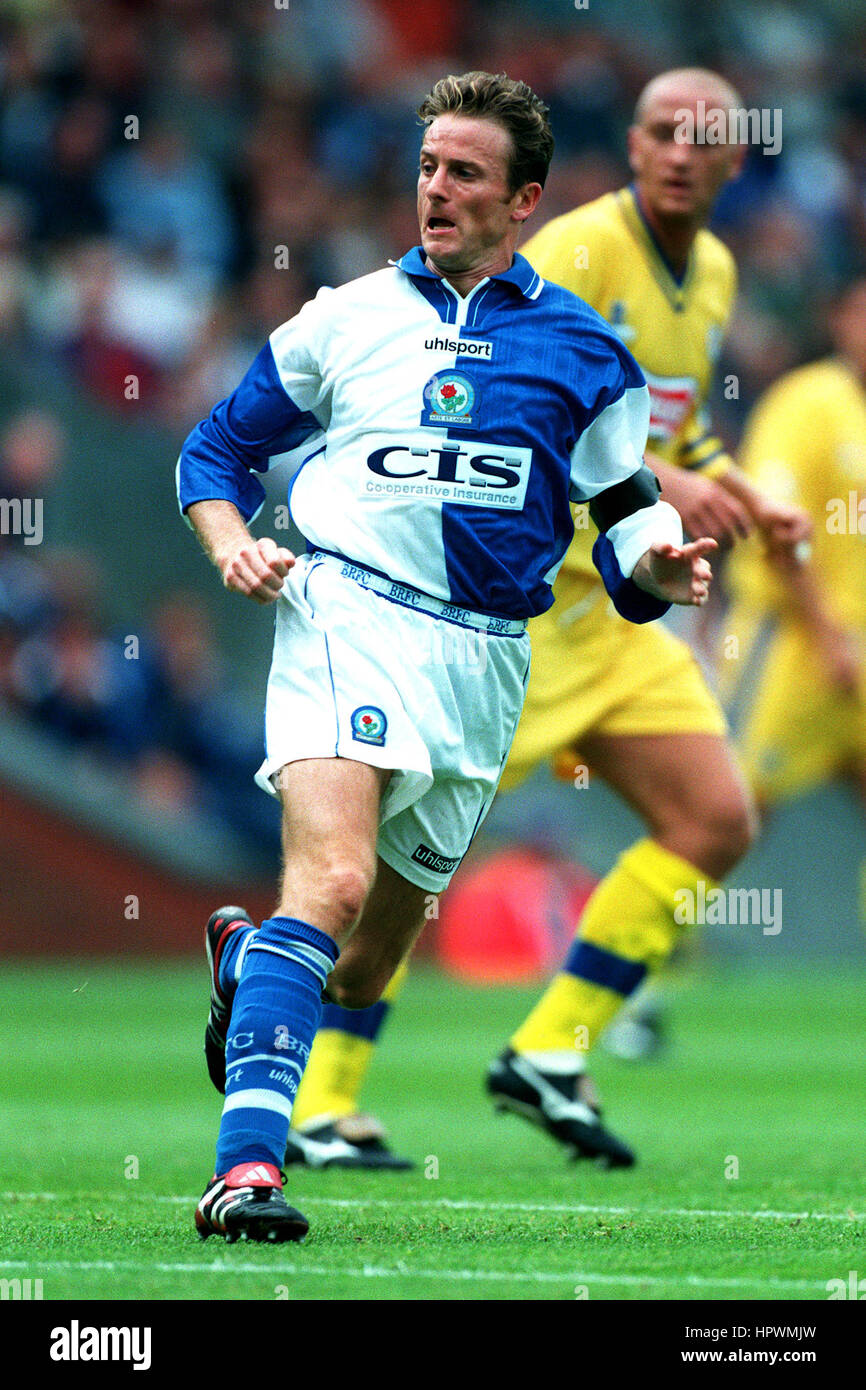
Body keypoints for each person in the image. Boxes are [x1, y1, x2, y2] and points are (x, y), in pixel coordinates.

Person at [178, 70, 716, 1243]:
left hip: (483, 663)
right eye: (426, 167)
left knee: (361, 969)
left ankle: (248, 960)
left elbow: (626, 526)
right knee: (328, 884)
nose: (434, 189)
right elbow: (213, 450)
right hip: (344, 615)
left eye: (463, 172)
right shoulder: (344, 316)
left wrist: (658, 572)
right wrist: (230, 544)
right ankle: (245, 1171)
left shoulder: (587, 355)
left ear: (521, 200)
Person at [284, 67, 812, 1172]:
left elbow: (665, 426)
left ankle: (548, 1052)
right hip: (509, 614)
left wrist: (738, 491)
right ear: (632, 146)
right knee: (399, 865)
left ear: (736, 159)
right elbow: (522, 407)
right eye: (660, 131)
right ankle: (317, 1103)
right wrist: (672, 480)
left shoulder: (713, 272)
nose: (679, 152)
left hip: (618, 610)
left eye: (701, 138)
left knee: (715, 819)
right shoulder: (574, 250)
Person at [720, 275, 866, 825]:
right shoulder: (806, 401)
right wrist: (828, 635)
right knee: (728, 815)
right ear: (840, 319)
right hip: (791, 641)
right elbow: (776, 526)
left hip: (859, 649)